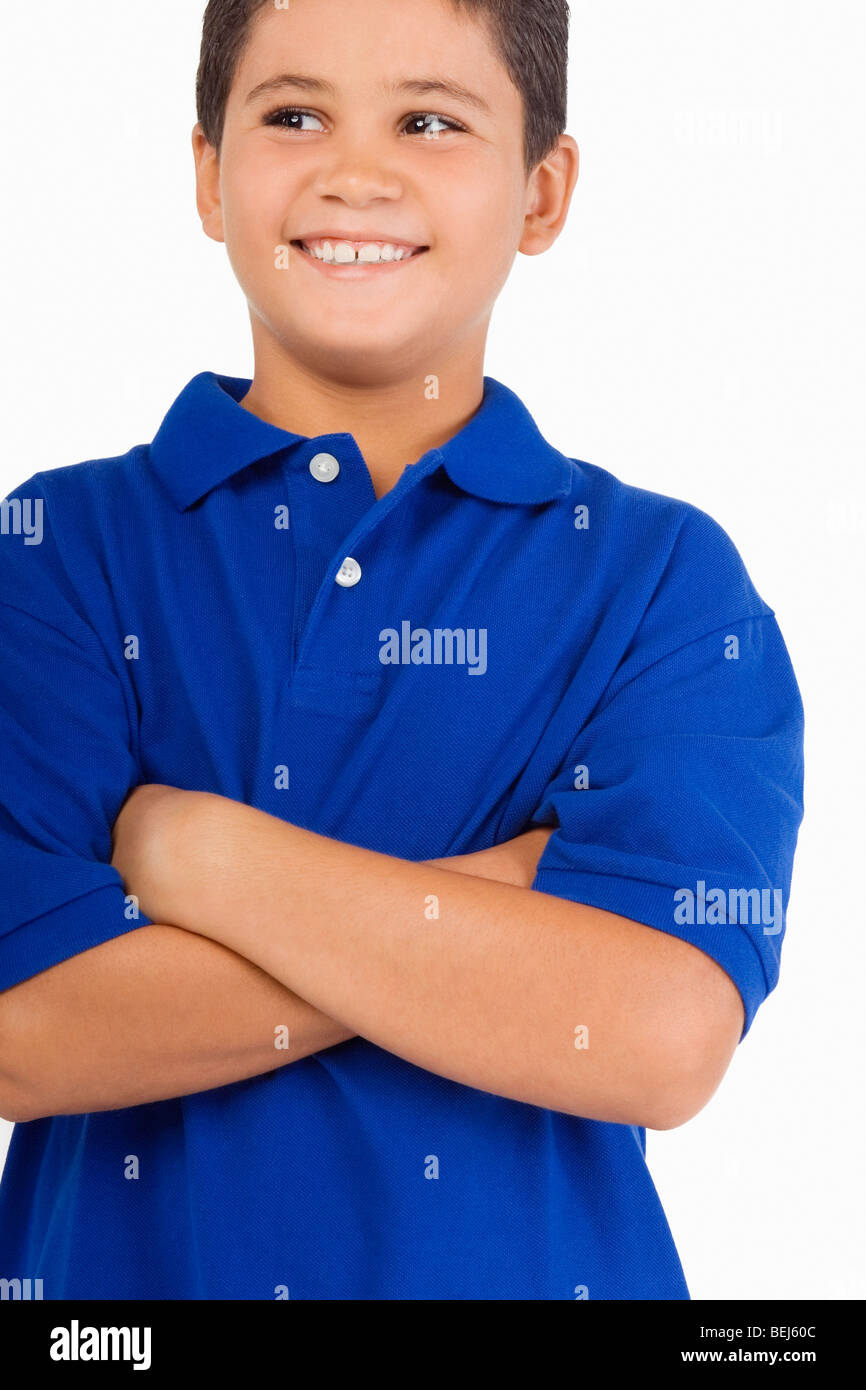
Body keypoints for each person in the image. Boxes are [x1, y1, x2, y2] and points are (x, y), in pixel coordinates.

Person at [0, 0, 804, 1300]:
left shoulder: (660, 578)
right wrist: (492, 900)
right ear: (207, 174)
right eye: (292, 113)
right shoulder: (55, 552)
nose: (354, 170)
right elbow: (22, 1034)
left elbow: (657, 1035)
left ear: (540, 193)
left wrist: (200, 854)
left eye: (428, 120)